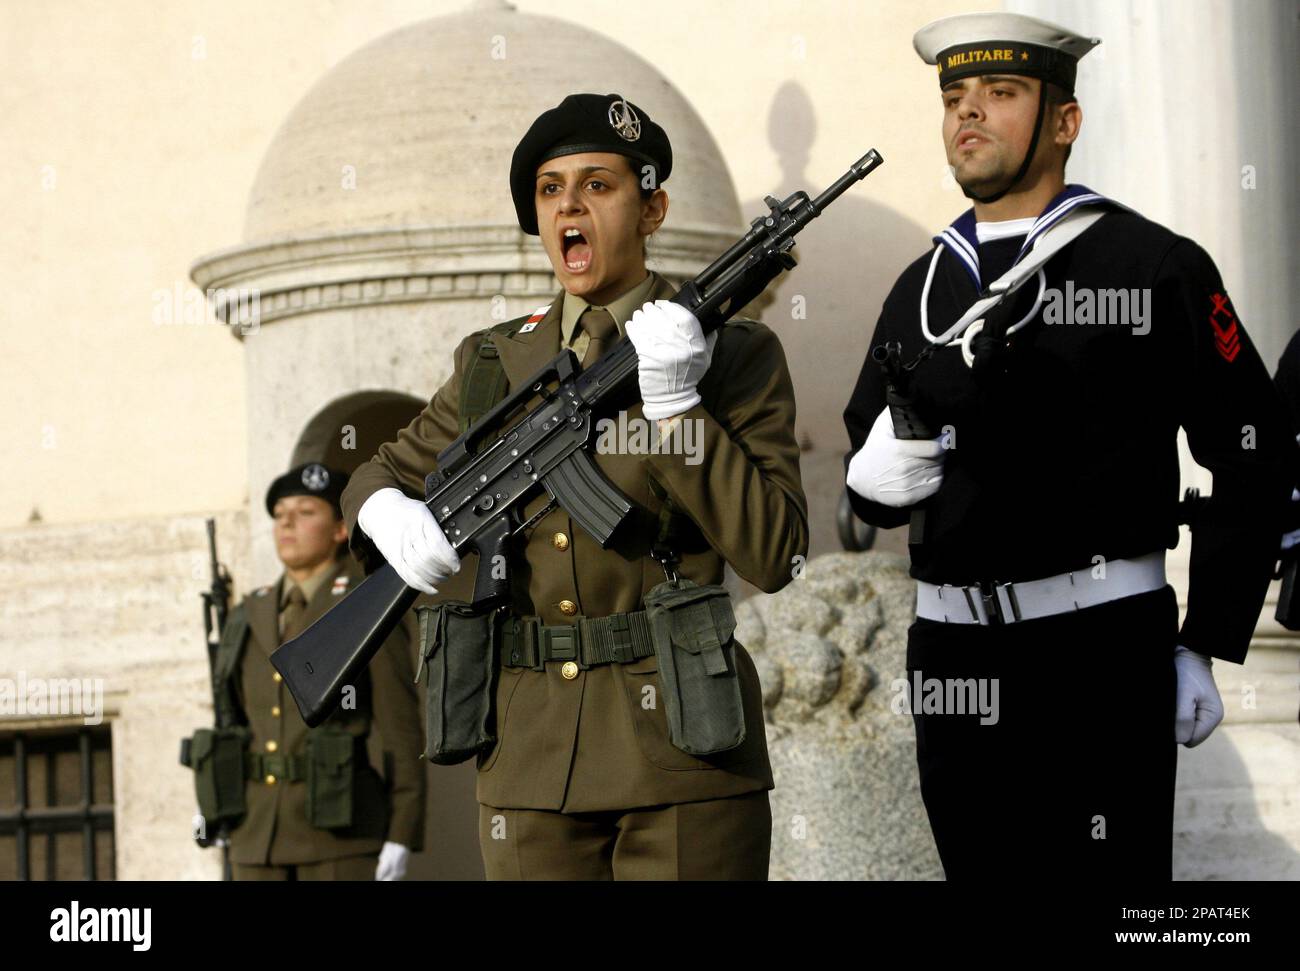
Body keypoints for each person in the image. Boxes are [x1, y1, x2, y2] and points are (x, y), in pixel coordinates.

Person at [842, 12, 1297, 879]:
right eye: (953, 97)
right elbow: (869, 467)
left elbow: (1254, 446)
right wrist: (871, 481)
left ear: (1065, 122)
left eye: (1000, 94)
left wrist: (1208, 636)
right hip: (953, 664)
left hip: (1094, 660)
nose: (967, 115)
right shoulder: (921, 286)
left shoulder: (1154, 264)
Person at [341, 93, 808, 880]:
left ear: (651, 207)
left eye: (598, 185)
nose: (570, 206)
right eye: (552, 189)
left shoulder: (728, 355)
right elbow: (378, 471)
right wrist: (383, 509)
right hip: (529, 760)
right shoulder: (493, 362)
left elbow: (775, 552)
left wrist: (678, 412)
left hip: (685, 753)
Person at [214, 463, 425, 880]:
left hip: (340, 837)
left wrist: (403, 831)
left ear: (340, 530)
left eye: (306, 512)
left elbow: (400, 729)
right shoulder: (248, 612)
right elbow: (233, 723)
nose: (287, 523)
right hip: (256, 837)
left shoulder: (367, 607)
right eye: (279, 515)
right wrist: (219, 804)